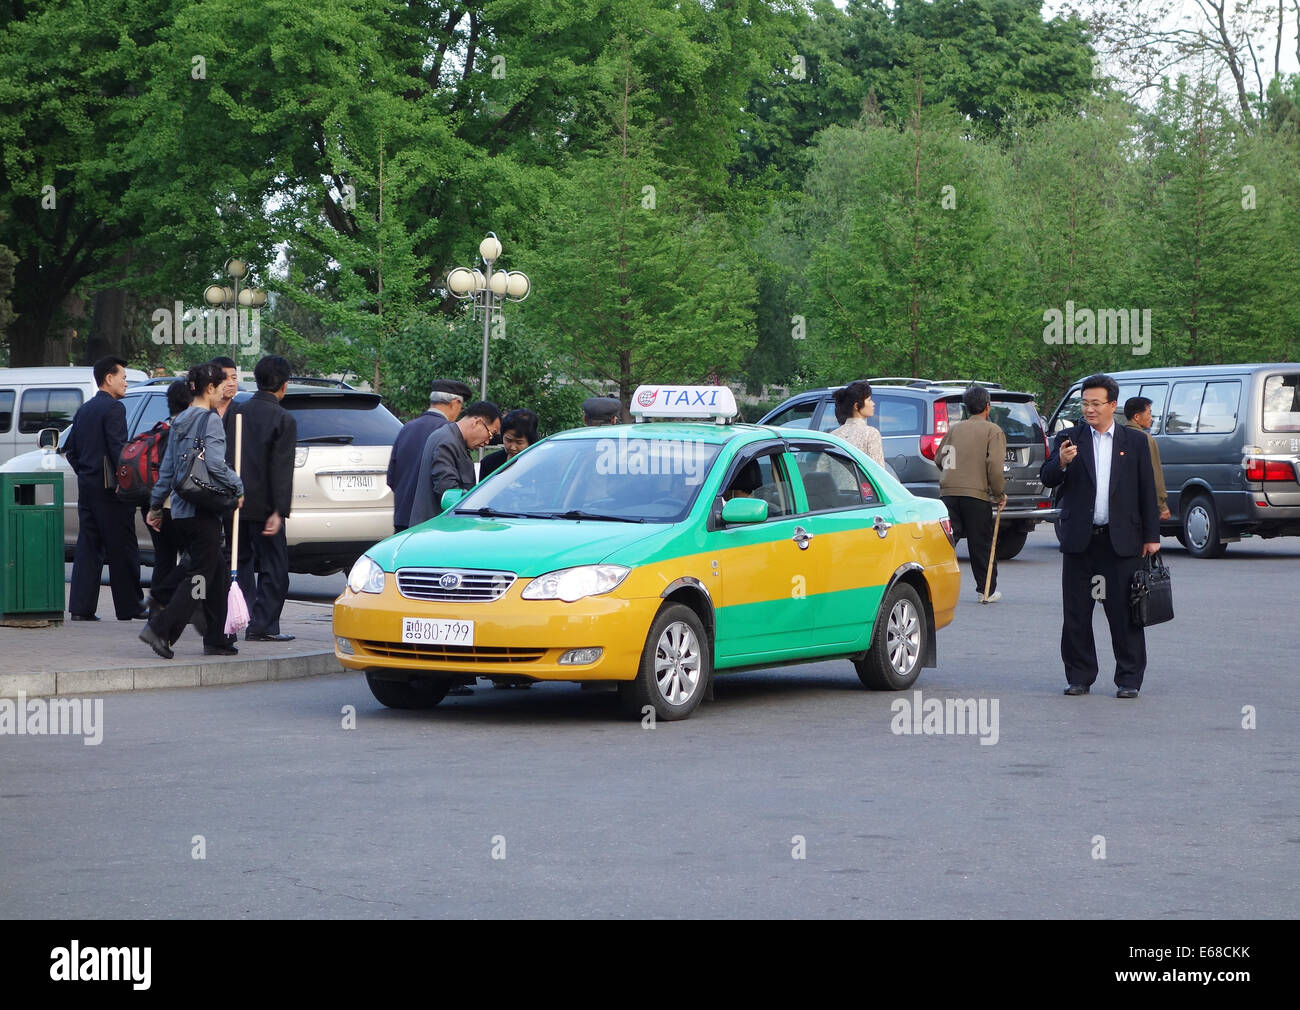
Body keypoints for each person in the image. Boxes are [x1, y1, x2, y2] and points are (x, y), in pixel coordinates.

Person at [1041, 373, 1160, 699]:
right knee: (1077, 613)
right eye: (1085, 403)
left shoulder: (1134, 442)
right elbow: (1047, 476)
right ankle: (1079, 676)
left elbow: (1146, 491)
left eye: (1096, 403)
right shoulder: (1069, 438)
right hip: (1081, 540)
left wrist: (1152, 535)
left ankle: (1129, 678)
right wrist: (1061, 463)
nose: (1089, 409)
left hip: (1121, 541)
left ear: (1112, 405)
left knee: (1124, 613)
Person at [139, 363, 244, 659]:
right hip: (203, 511)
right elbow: (214, 464)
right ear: (209, 388)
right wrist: (238, 487)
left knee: (218, 574)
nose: (225, 390)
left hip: (183, 512)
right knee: (198, 578)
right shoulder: (209, 420)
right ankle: (160, 629)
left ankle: (218, 638)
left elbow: (169, 469)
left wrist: (156, 506)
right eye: (221, 385)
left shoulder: (180, 419)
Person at [64, 355, 146, 621]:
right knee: (123, 547)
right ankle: (130, 606)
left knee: (88, 548)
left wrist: (87, 473)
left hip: (87, 489)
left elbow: (71, 450)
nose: (125, 383)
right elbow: (117, 450)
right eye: (122, 377)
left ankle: (81, 608)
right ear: (108, 378)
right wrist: (127, 483)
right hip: (110, 491)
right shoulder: (114, 409)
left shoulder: (84, 409)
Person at [233, 355, 298, 643]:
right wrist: (279, 510)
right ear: (283, 386)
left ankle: (239, 617)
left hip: (236, 503)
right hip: (266, 507)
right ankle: (263, 625)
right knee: (274, 568)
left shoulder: (237, 412)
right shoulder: (283, 419)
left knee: (241, 564)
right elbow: (280, 468)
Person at [937, 385, 1007, 603]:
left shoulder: (954, 429)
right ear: (988, 406)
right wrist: (999, 493)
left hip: (948, 492)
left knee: (946, 542)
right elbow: (994, 466)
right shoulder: (992, 430)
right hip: (976, 495)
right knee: (981, 543)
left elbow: (940, 458)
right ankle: (986, 590)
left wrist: (953, 474)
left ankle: (932, 587)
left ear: (966, 407)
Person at [388, 379, 473, 533]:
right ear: (454, 403)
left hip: (402, 520)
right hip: (430, 524)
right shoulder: (448, 434)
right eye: (461, 407)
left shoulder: (407, 428)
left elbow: (392, 478)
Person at [408, 401, 501, 526]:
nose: (488, 442)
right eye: (490, 434)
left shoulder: (453, 439)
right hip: (437, 532)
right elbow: (448, 492)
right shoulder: (447, 442)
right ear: (477, 422)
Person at [142, 379, 194, 602]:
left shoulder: (162, 430)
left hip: (154, 504)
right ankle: (172, 601)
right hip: (175, 506)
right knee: (191, 558)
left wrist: (153, 506)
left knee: (163, 557)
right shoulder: (185, 431)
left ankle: (159, 604)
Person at [1122, 396, 1171, 521]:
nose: (1151, 417)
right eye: (1149, 413)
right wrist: (1162, 505)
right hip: (1143, 503)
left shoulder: (1117, 436)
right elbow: (1155, 473)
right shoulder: (1145, 439)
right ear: (1137, 417)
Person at [829, 380, 885, 467]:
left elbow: (822, 469)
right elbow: (878, 471)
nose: (873, 404)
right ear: (856, 406)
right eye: (869, 400)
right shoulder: (871, 434)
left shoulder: (833, 436)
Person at [479, 408, 538, 480]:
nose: (513, 447)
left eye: (519, 442)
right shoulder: (488, 463)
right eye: (508, 440)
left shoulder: (540, 464)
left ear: (531, 441)